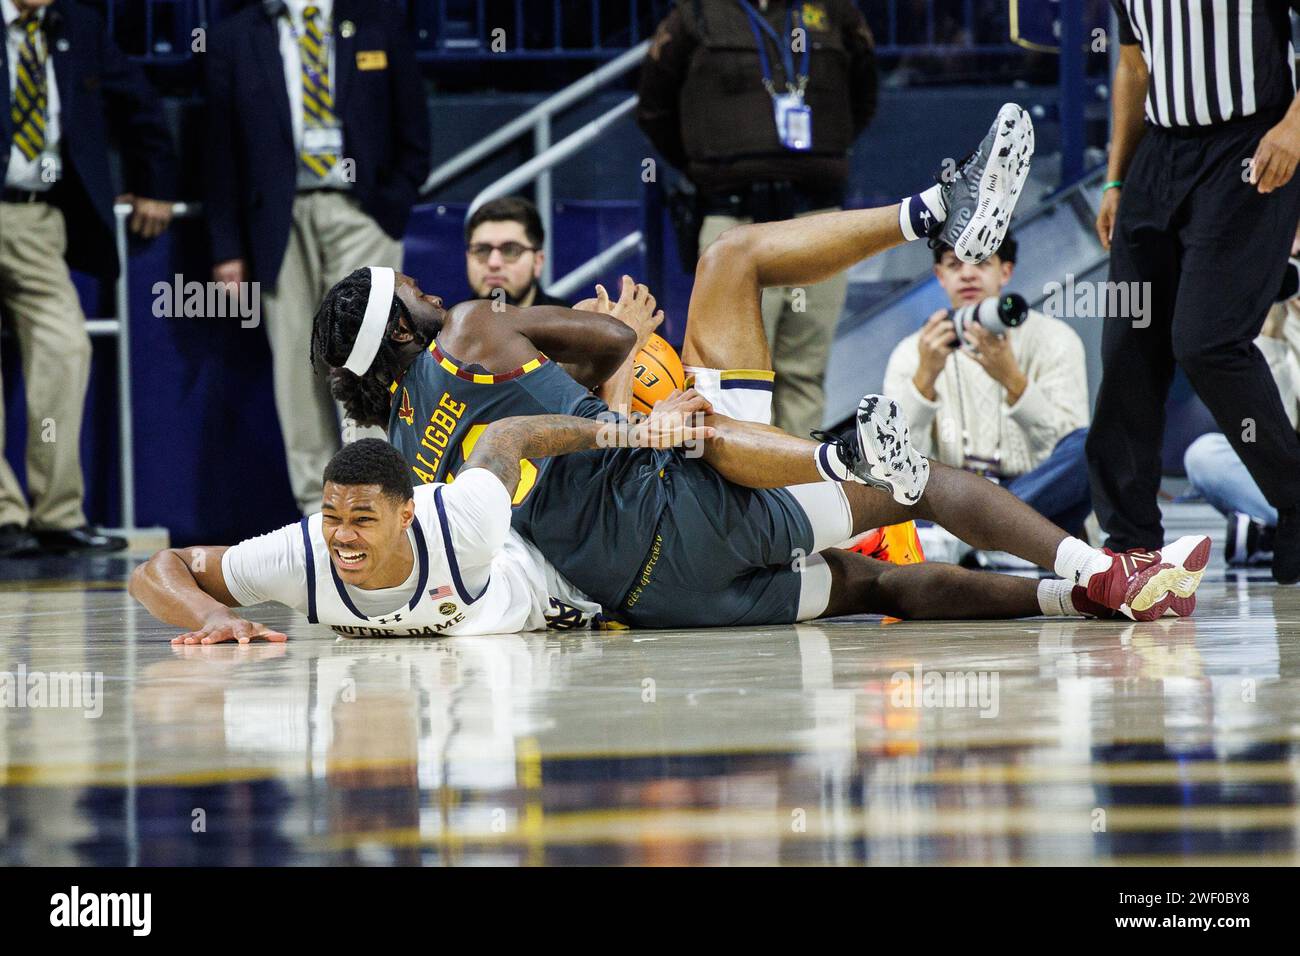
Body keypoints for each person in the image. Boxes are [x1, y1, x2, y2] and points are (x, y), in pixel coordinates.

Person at [313, 105, 1211, 627]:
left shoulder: (404, 459)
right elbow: (624, 344)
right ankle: (940, 211)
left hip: (650, 595)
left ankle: (1072, 604)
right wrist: (617, 344)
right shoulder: (468, 328)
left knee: (871, 582)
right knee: (738, 269)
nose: (430, 288)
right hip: (681, 497)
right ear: (400, 332)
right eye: (411, 292)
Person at [127, 419, 708, 644]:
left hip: (586, 574)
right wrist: (212, 617)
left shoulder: (463, 522)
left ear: (406, 516)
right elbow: (157, 569)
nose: (343, 537)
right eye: (333, 518)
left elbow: (509, 436)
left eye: (361, 520)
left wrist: (631, 431)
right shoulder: (300, 554)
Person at [1090, 0, 1300, 584]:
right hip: (1158, 154)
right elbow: (1133, 66)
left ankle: (1294, 495)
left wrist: (1294, 126)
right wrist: (1115, 175)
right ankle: (1129, 544)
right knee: (1126, 348)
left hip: (1252, 140)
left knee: (1207, 342)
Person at [203, 0, 430, 514]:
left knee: (368, 352)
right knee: (296, 361)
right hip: (274, 222)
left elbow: (413, 123)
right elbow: (218, 153)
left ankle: (378, 495)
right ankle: (317, 503)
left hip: (360, 210)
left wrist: (390, 204)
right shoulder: (233, 37)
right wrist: (227, 248)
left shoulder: (379, 18)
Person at [636, 0, 878, 437]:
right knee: (727, 379)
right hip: (733, 220)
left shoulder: (836, 9)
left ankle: (801, 493)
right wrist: (708, 164)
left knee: (805, 369)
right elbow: (653, 107)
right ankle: (740, 498)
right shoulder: (696, 13)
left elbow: (863, 96)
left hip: (816, 215)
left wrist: (818, 156)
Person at [0, 0, 177, 557]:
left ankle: (55, 515)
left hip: (36, 217)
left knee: (66, 347)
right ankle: (3, 517)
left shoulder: (76, 26)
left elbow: (137, 101)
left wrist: (154, 180)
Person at [883, 232, 1091, 549]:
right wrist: (925, 379)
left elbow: (1066, 452)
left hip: (1034, 496)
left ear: (1004, 271)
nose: (967, 273)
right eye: (954, 264)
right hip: (951, 496)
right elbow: (896, 465)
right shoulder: (913, 351)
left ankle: (966, 541)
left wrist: (1013, 381)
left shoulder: (1055, 339)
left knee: (1093, 448)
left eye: (981, 261)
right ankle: (980, 539)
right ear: (940, 276)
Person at [1184, 298, 1300, 566]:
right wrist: (1274, 334)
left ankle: (1269, 534)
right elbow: (1274, 424)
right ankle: (1278, 530)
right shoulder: (1279, 325)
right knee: (1204, 455)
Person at [465, 196, 569, 308]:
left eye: (510, 251)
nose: (493, 263)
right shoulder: (450, 323)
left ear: (537, 262)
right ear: (468, 258)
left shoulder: (570, 322)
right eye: (482, 250)